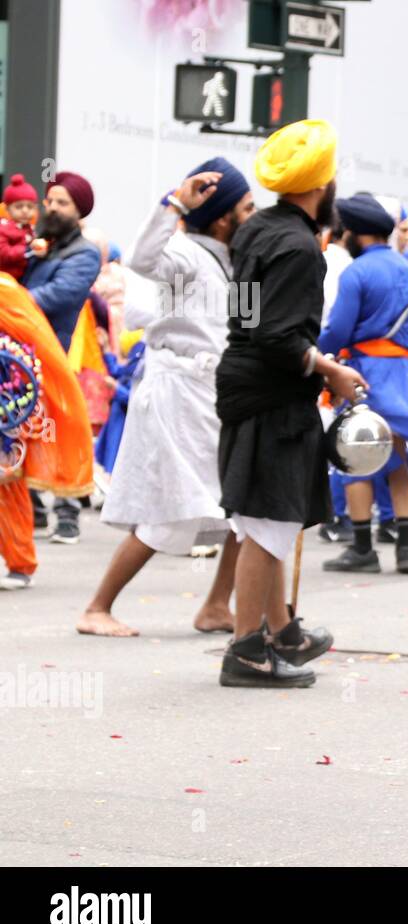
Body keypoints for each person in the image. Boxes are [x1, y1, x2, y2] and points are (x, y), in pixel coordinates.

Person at [75, 159, 257, 638]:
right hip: (177, 391)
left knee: (244, 504)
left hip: (219, 393)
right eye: (247, 206)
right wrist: (175, 203)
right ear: (222, 216)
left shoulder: (238, 264)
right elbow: (140, 260)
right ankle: (97, 607)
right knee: (169, 507)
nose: (254, 215)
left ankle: (217, 604)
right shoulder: (181, 255)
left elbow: (248, 329)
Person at [215, 119, 364, 689]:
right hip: (274, 398)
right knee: (268, 523)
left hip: (244, 384)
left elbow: (250, 322)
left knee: (264, 520)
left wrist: (304, 358)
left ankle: (279, 633)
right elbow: (279, 338)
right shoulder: (302, 248)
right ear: (323, 185)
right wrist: (331, 369)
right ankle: (247, 650)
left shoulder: (254, 230)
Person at [318, 192, 408, 574]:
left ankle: (363, 548)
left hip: (366, 374)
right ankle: (406, 549)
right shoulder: (406, 270)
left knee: (357, 459)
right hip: (403, 375)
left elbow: (339, 330)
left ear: (355, 233)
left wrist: (313, 352)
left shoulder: (357, 273)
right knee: (397, 460)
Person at [22, 170, 101, 545]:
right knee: (23, 431)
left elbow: (60, 295)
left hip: (58, 354)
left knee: (59, 433)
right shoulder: (41, 244)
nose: (51, 206)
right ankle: (33, 508)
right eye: (49, 200)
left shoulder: (84, 253)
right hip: (23, 352)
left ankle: (67, 515)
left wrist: (11, 299)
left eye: (61, 202)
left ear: (79, 211)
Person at [0, 273, 94, 589]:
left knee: (6, 482)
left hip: (5, 401)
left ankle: (20, 563)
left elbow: (35, 345)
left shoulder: (6, 290)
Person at [1, 174, 39, 281]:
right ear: (8, 209)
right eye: (19, 206)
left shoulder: (29, 229)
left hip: (20, 279)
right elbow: (3, 253)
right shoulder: (3, 229)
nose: (25, 211)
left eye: (30, 206)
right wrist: (27, 249)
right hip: (5, 280)